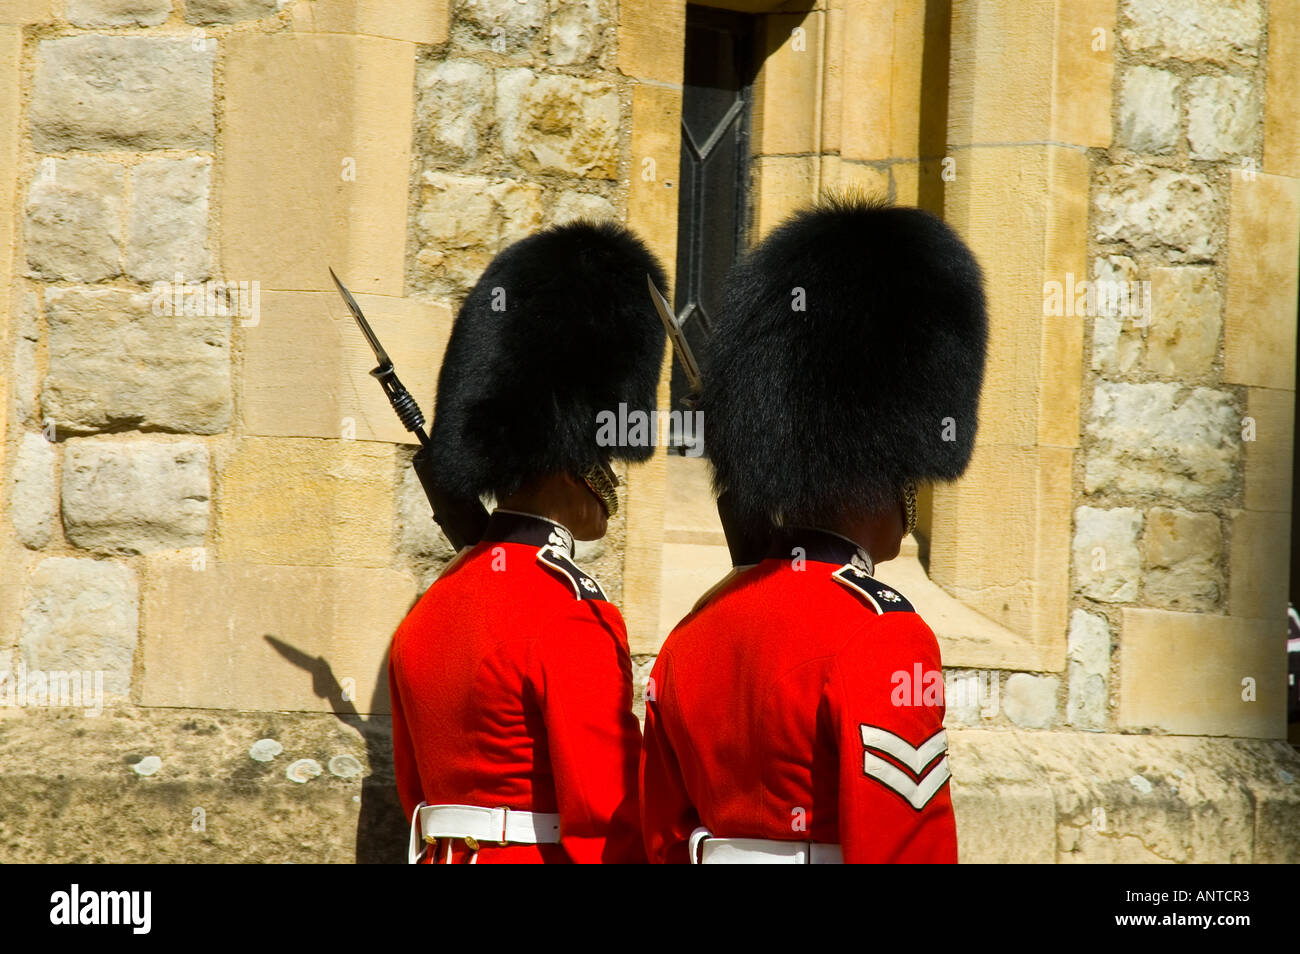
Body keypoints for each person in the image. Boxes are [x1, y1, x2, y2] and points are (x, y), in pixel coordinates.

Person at [640, 195, 988, 863]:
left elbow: (660, 839)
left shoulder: (694, 631)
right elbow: (901, 851)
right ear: (886, 462)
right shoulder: (882, 635)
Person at [389, 220, 667, 864]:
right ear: (575, 453)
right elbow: (605, 817)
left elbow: (414, 790)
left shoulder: (430, 609)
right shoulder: (570, 611)